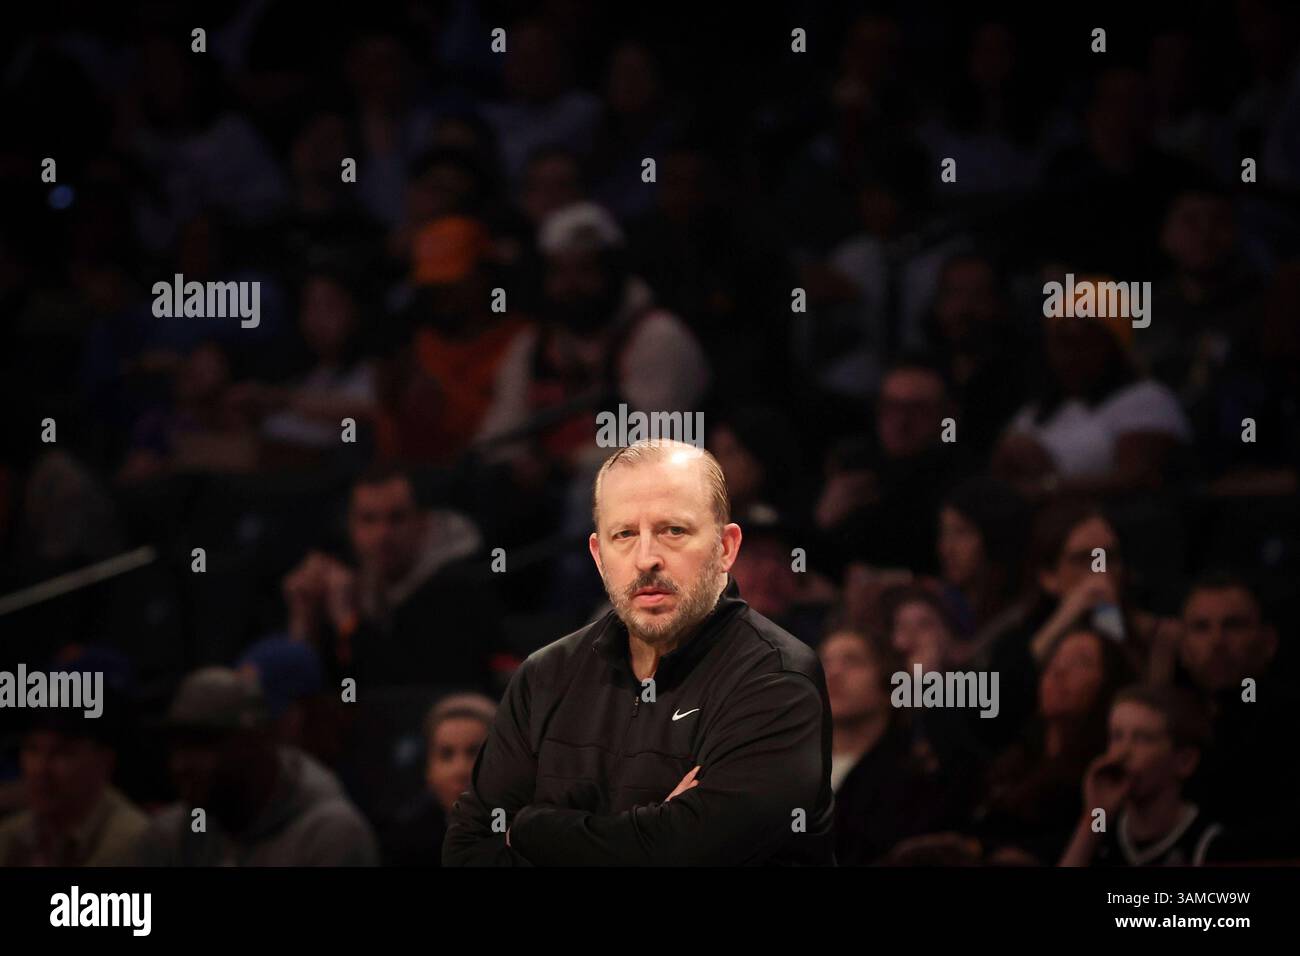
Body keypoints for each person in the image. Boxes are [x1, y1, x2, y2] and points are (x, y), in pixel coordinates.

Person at [443, 439, 835, 865]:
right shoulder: (543, 676)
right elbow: (468, 851)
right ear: (598, 555)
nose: (646, 558)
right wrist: (652, 829)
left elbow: (689, 851)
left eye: (673, 531)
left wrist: (532, 827)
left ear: (726, 548)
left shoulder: (777, 679)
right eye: (624, 534)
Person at [281, 465, 500, 690]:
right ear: (351, 526)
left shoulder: (458, 588)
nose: (382, 534)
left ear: (422, 522)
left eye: (396, 519)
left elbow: (401, 692)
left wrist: (347, 621)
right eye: (368, 519)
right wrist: (304, 620)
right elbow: (309, 694)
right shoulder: (351, 580)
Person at [133, 667, 377, 866]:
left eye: (201, 745)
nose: (180, 765)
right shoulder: (174, 835)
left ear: (256, 743)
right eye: (177, 747)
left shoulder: (326, 835)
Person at [973, 625, 1136, 864]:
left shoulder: (1100, 772)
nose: (1059, 670)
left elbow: (1102, 831)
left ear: (1107, 683)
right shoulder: (1017, 754)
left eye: (1080, 663)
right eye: (1055, 659)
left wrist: (1095, 817)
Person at [820, 627, 949, 864]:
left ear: (889, 682)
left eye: (853, 662)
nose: (833, 673)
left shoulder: (915, 775)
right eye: (825, 662)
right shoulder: (788, 763)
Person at [1060, 684, 1223, 866]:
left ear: (1184, 761)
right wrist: (1095, 814)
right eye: (1117, 736)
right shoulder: (1103, 830)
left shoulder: (1207, 842)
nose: (1123, 752)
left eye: (1143, 738)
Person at [381, 693, 496, 867]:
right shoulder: (404, 842)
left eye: (474, 752)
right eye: (446, 754)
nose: (460, 769)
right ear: (429, 771)